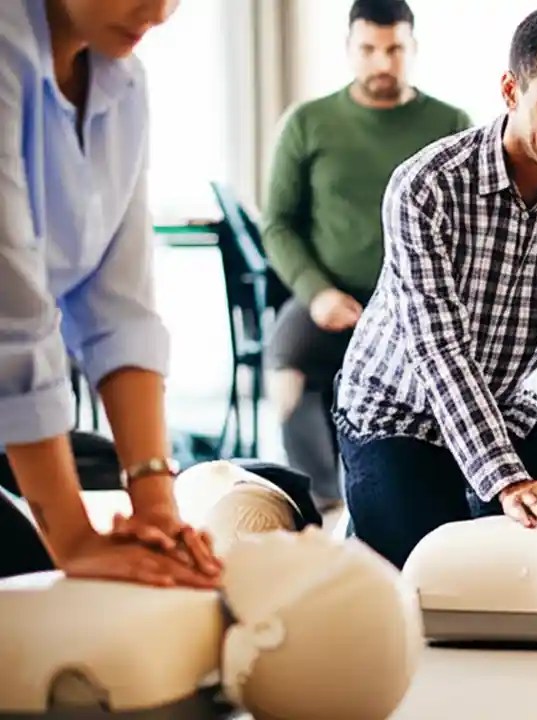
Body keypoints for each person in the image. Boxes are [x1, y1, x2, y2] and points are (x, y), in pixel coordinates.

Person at [334, 5, 537, 569]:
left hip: (504, 409)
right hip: (394, 413)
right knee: (442, 573)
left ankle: (443, 508)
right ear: (510, 91)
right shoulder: (425, 188)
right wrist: (508, 483)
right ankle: (368, 524)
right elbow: (439, 352)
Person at [0, 0, 221, 586]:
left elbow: (120, 308)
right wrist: (71, 539)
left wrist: (156, 505)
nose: (160, 11)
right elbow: (10, 311)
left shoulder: (123, 84)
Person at [262, 0, 472, 512]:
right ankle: (321, 502)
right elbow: (279, 224)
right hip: (332, 297)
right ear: (349, 50)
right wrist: (317, 294)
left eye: (395, 49)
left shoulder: (451, 122)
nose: (383, 62)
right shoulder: (308, 123)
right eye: (369, 49)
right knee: (285, 361)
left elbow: (471, 225)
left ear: (413, 49)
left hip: (418, 301)